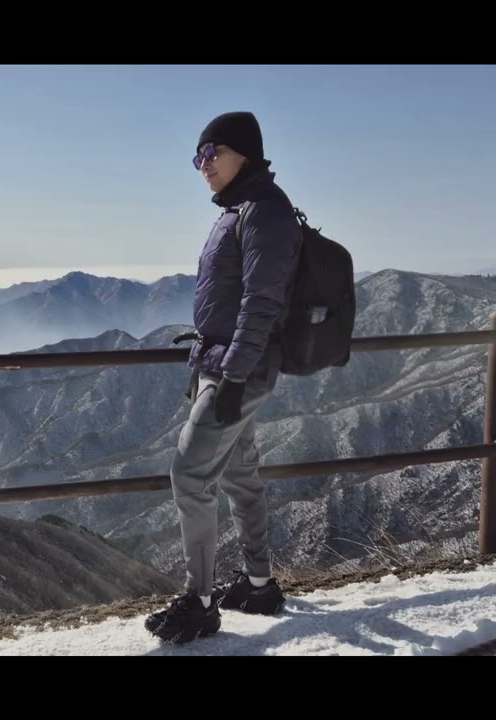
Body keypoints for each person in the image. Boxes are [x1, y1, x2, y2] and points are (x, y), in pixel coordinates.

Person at [146, 111, 303, 645]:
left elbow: (261, 304)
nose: (202, 165)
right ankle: (258, 584)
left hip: (237, 369)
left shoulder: (265, 214)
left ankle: (200, 600)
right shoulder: (239, 209)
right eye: (197, 157)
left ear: (245, 153)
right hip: (220, 364)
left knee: (190, 474)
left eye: (211, 153)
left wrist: (232, 377)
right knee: (239, 474)